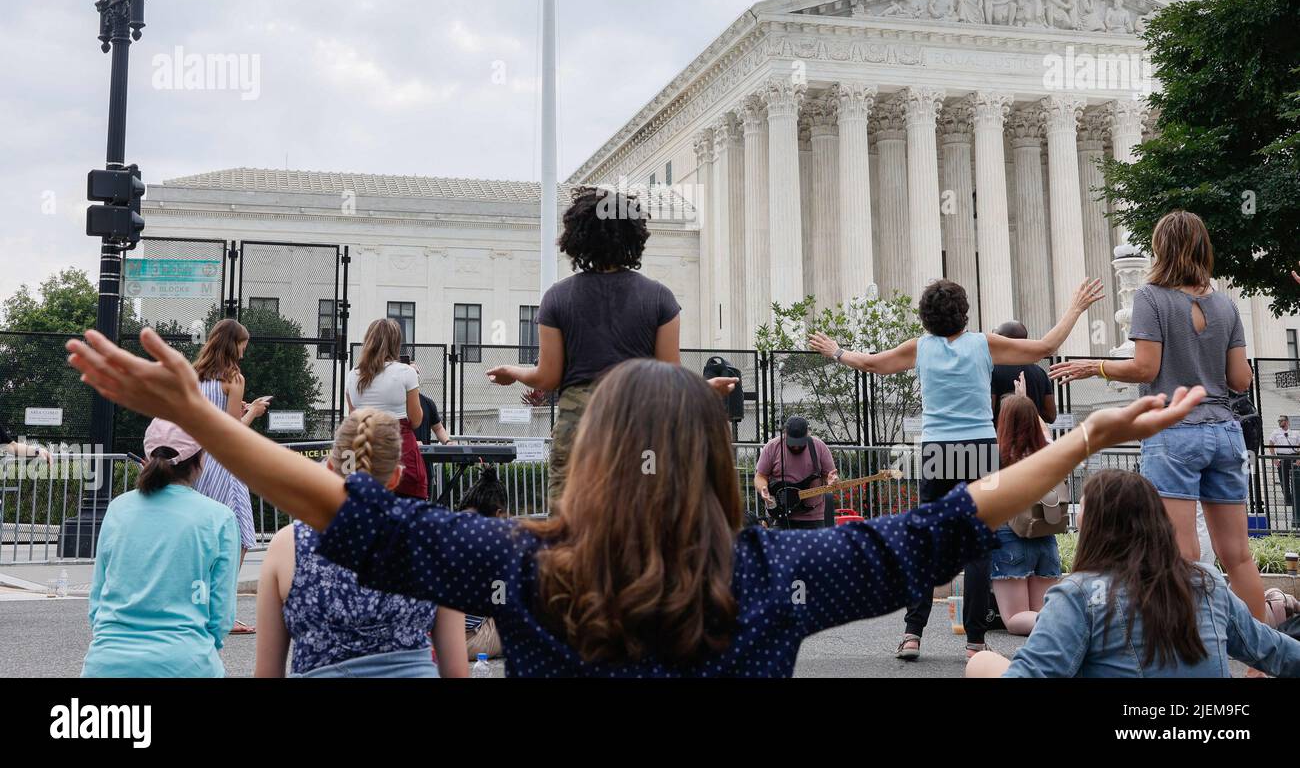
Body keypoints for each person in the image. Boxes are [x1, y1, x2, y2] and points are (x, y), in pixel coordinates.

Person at [65, 326, 1204, 679]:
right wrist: (1084, 436)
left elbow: (343, 510)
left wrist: (210, 419)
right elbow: (953, 520)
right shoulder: (777, 578)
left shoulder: (522, 568)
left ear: (593, 462)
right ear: (717, 467)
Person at [810, 275, 1103, 661]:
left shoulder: (920, 348)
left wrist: (836, 351)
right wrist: (1076, 308)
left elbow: (870, 363)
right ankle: (975, 642)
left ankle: (912, 634)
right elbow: (1046, 347)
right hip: (978, 447)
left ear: (925, 317)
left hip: (936, 449)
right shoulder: (983, 343)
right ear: (964, 314)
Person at [1050, 210, 1266, 620]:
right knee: (1238, 557)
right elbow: (1241, 380)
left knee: (1182, 554)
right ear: (1204, 248)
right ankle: (1259, 663)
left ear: (1160, 249)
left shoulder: (1150, 297)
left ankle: (1196, 653)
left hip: (1174, 431)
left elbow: (1145, 368)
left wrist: (1093, 366)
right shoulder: (1225, 304)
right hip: (1224, 431)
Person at [485, 186, 733, 508]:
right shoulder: (660, 299)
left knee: (571, 523)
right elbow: (668, 380)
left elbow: (548, 378)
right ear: (634, 236)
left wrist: (513, 372)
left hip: (581, 424)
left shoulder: (557, 298)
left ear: (578, 236)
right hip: (640, 421)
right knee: (641, 518)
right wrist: (704, 388)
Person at [967, 470, 1300, 678]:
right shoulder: (1206, 580)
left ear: (1095, 527)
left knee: (982, 665)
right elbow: (1277, 652)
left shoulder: (1079, 594)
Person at [253, 407, 466, 678]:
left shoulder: (288, 545)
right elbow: (456, 671)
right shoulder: (432, 541)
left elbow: (267, 672)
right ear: (396, 477)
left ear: (330, 467)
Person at [83, 417, 238, 677]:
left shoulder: (118, 508)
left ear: (147, 457)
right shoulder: (219, 517)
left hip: (108, 661)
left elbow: (98, 598)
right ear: (199, 460)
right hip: (186, 661)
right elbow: (221, 614)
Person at [191, 318, 271, 633]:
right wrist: (252, 412)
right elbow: (231, 431)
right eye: (242, 346)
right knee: (239, 537)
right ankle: (223, 613)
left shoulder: (196, 376)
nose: (243, 353)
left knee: (206, 536)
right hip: (225, 464)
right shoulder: (233, 378)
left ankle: (200, 605)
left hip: (197, 460)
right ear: (232, 344)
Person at [989, 395, 1061, 635]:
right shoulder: (1049, 451)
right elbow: (1044, 430)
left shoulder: (996, 455)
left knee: (1016, 618)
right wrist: (1027, 400)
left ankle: (1069, 624)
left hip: (1009, 536)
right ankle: (1060, 623)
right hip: (1045, 533)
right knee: (1042, 612)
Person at [347, 319, 425, 500]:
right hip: (400, 451)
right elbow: (416, 420)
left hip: (365, 452)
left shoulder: (353, 375)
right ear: (396, 343)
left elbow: (352, 418)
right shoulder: (406, 372)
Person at [456, 466, 510, 660]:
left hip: (430, 637)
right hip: (466, 641)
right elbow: (500, 604)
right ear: (497, 513)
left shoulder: (445, 527)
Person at [754, 417, 837, 529]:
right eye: (792, 442)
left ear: (807, 434)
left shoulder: (819, 447)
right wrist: (763, 489)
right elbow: (760, 476)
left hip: (813, 516)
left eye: (800, 443)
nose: (796, 446)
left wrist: (832, 480)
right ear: (785, 434)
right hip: (780, 515)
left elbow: (831, 476)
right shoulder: (773, 446)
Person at [990, 321, 1056, 425]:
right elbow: (1051, 416)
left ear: (1003, 341)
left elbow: (989, 411)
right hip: (1033, 437)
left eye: (996, 336)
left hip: (1003, 436)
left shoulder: (992, 370)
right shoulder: (1040, 372)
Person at [1269, 415, 1300, 507]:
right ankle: (1288, 499)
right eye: (1278, 420)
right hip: (1282, 458)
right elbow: (1271, 444)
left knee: (1296, 479)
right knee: (1283, 480)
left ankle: (1296, 498)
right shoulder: (1276, 432)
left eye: (1281, 420)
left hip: (1293, 458)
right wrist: (1274, 458)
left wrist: (1298, 458)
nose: (1279, 422)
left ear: (1287, 421)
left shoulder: (1295, 433)